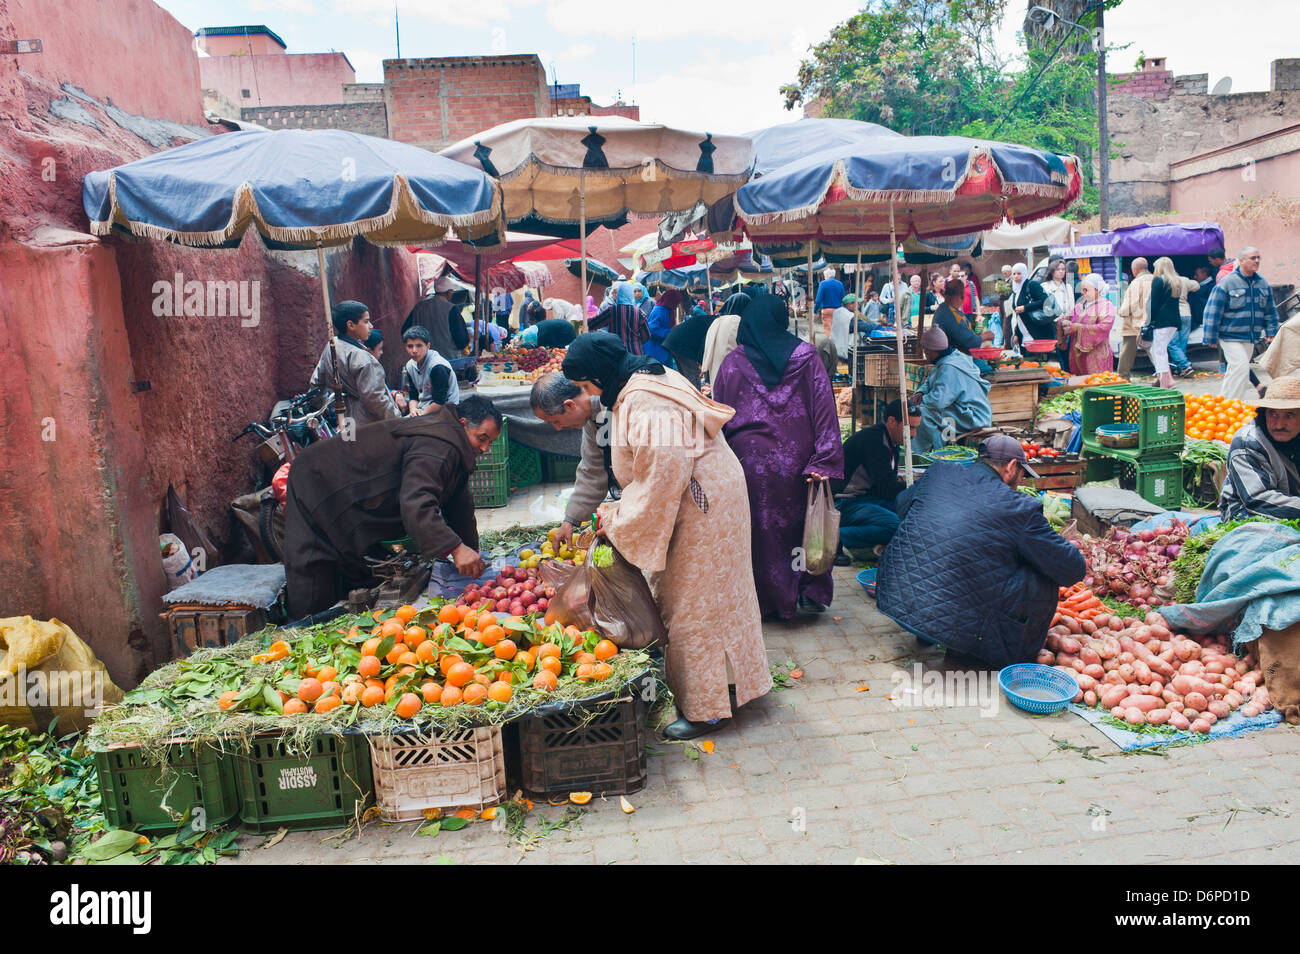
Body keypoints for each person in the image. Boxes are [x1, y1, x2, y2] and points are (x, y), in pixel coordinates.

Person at [560, 333, 772, 740]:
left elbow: (663, 475)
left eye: (587, 386)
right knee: (721, 595)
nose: (589, 395)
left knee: (692, 603)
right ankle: (733, 684)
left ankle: (707, 710)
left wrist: (617, 519)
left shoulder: (644, 400)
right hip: (712, 493)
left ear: (599, 375)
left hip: (699, 503)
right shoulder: (648, 376)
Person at [877, 434, 1086, 668]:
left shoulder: (939, 473)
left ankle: (929, 630)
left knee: (952, 553)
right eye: (1022, 474)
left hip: (897, 598)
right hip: (962, 624)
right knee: (1043, 573)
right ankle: (1004, 651)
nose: (1020, 481)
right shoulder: (1018, 507)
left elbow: (902, 506)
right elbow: (1072, 569)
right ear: (1011, 467)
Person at [282, 396, 502, 617]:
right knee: (314, 565)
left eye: (489, 442)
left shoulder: (454, 442)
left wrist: (471, 549)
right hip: (316, 479)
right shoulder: (439, 445)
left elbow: (459, 503)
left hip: (351, 489)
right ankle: (301, 628)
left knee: (352, 564)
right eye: (481, 438)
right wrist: (455, 548)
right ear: (463, 422)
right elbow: (417, 502)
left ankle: (344, 613)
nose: (484, 448)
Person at [711, 295, 844, 617]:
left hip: (749, 462)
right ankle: (805, 590)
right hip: (798, 460)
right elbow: (825, 410)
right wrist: (824, 460)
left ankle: (768, 601)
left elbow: (717, 413)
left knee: (761, 533)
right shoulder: (807, 357)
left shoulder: (733, 363)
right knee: (801, 527)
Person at [529, 372, 613, 547]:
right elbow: (592, 471)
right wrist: (570, 521)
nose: (558, 428)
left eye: (555, 421)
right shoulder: (592, 420)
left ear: (569, 405)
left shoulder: (613, 408)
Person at [832, 399, 920, 564]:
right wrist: (917, 490)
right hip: (844, 503)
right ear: (892, 422)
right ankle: (836, 535)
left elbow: (887, 489)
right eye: (910, 428)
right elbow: (887, 488)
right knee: (895, 526)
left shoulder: (891, 442)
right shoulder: (874, 442)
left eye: (916, 428)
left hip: (867, 499)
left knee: (911, 515)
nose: (913, 434)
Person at [1203, 247, 1279, 402]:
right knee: (1241, 367)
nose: (1256, 261)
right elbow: (1213, 310)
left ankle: (1223, 403)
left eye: (1258, 257)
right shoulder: (1228, 282)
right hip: (1229, 335)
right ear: (1242, 261)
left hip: (1250, 336)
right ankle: (1235, 404)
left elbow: (1270, 310)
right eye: (1252, 258)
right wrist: (1210, 337)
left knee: (1235, 370)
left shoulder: (1262, 283)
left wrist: (1271, 330)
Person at [309, 301, 401, 428]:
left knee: (348, 444)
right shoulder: (363, 359)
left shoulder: (332, 345)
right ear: (350, 325)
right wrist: (396, 419)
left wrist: (319, 409)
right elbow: (375, 400)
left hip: (344, 420)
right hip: (367, 425)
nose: (371, 326)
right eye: (366, 321)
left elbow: (316, 384)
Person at [1220, 376, 1300, 521]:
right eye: (1272, 414)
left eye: (1289, 415)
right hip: (1248, 511)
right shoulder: (1247, 442)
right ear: (1264, 413)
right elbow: (1256, 499)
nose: (1279, 424)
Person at [909, 326, 992, 454]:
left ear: (931, 351)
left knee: (923, 413)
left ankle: (938, 452)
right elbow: (930, 381)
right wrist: (920, 392)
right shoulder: (946, 359)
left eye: (925, 350)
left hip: (973, 417)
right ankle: (933, 448)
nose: (925, 353)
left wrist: (919, 403)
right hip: (959, 410)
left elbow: (938, 401)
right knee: (923, 410)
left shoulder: (949, 367)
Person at [1063, 274, 1117, 375]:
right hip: (1076, 353)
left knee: (1096, 382)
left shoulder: (1106, 306)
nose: (1083, 293)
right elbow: (1067, 318)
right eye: (1082, 289)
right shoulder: (1080, 305)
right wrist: (1064, 322)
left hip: (1096, 353)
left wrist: (1079, 327)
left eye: (1086, 290)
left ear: (1098, 290)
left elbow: (1104, 327)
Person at [404, 284, 471, 363]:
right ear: (448, 292)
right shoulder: (451, 308)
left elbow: (405, 331)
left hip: (423, 361)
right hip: (448, 361)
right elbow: (462, 340)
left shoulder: (418, 307)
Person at [1146, 257, 1186, 388]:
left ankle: (1164, 382)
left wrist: (1150, 321)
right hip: (1174, 321)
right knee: (1158, 350)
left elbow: (1154, 303)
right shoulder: (1177, 281)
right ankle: (1168, 379)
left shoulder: (1158, 280)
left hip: (1161, 321)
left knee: (1159, 352)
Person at [401, 325, 459, 415]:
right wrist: (413, 410)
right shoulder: (409, 366)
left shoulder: (438, 366)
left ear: (428, 346)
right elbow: (413, 396)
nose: (414, 350)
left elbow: (440, 402)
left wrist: (420, 416)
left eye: (419, 345)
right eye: (410, 346)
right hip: (423, 409)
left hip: (446, 410)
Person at [700, 291, 751, 388]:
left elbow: (708, 347)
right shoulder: (737, 321)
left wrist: (705, 368)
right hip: (732, 370)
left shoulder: (717, 321)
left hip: (716, 368)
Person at [932, 279, 993, 356]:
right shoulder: (950, 314)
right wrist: (985, 336)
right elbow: (969, 342)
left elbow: (963, 334)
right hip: (953, 358)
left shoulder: (944, 309)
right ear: (961, 296)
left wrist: (977, 335)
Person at [662, 301, 714, 388]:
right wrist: (702, 364)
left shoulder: (710, 320)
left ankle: (688, 396)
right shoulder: (715, 324)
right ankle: (695, 399)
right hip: (680, 344)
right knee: (692, 377)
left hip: (674, 341)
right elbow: (705, 344)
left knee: (686, 378)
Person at [589, 282, 651, 354]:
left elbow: (594, 323)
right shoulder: (639, 312)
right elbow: (647, 335)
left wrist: (581, 322)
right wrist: (636, 342)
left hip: (617, 353)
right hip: (636, 354)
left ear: (619, 294)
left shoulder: (612, 310)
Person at [1116, 257, 1152, 378]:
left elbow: (1131, 303)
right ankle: (1164, 375)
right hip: (1151, 321)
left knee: (1127, 351)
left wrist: (1121, 312)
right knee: (1153, 350)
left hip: (1134, 322)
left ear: (1135, 270)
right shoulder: (1155, 279)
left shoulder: (1137, 282)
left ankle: (1122, 377)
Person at [1041, 259, 1075, 371]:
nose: (1061, 272)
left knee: (1066, 354)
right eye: (1058, 269)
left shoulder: (1068, 287)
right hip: (1051, 324)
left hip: (1066, 324)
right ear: (1051, 271)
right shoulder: (1045, 286)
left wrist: (1068, 319)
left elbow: (1072, 307)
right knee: (1056, 354)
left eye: (1063, 269)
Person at [1009, 262, 1050, 347]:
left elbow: (1045, 300)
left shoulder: (1032, 285)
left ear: (1024, 273)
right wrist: (1016, 333)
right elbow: (1018, 316)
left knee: (1036, 358)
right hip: (1023, 333)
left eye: (1019, 273)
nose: (1016, 276)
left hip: (1036, 331)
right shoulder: (1016, 290)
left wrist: (1025, 308)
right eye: (1014, 274)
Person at [645, 290, 679, 367]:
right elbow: (652, 330)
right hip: (656, 349)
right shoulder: (659, 310)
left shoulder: (668, 309)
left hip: (663, 348)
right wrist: (671, 331)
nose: (677, 306)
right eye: (676, 302)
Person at [814, 267, 845, 337]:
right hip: (838, 311)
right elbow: (843, 299)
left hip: (827, 311)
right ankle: (837, 345)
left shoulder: (823, 284)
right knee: (837, 330)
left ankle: (831, 346)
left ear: (827, 275)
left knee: (828, 330)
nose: (824, 278)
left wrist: (815, 311)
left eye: (824, 276)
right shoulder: (840, 284)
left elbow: (818, 300)